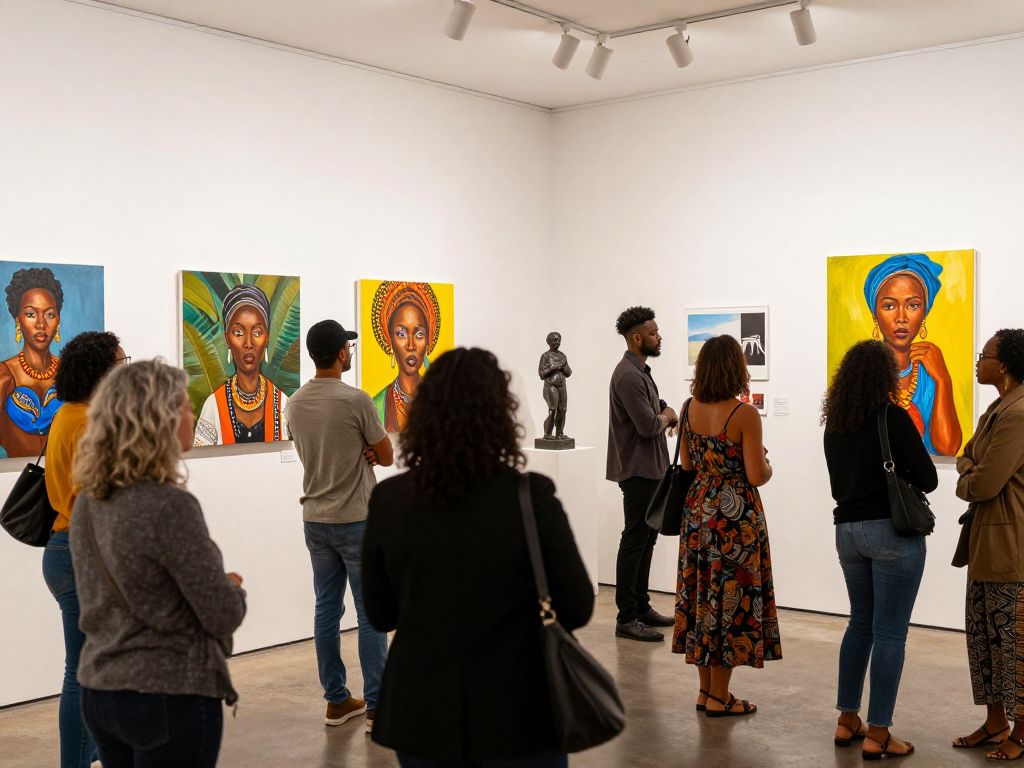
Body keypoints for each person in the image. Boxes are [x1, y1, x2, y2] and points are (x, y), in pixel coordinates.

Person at [363, 347, 594, 767]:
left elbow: (380, 615)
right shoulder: (531, 496)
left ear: (426, 415)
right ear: (500, 415)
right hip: (522, 707)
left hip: (424, 709)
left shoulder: (389, 501)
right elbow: (577, 606)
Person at [69, 360, 247, 767]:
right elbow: (221, 613)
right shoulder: (170, 507)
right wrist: (232, 588)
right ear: (158, 420)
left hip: (101, 690)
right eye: (184, 406)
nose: (190, 414)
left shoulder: (88, 504)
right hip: (167, 692)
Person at [822, 339, 936, 759]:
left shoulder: (836, 424)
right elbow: (928, 478)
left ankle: (846, 717)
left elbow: (840, 484)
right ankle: (879, 732)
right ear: (885, 375)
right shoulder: (893, 417)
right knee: (890, 632)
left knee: (860, 624)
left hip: (847, 532)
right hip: (891, 532)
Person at [285, 319, 394, 731]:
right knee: (370, 613)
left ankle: (336, 701)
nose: (351, 351)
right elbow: (385, 456)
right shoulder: (357, 400)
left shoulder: (294, 403)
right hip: (356, 520)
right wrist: (366, 449)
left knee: (326, 610)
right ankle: (378, 706)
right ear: (340, 353)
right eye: (348, 345)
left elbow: (312, 450)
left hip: (315, 519)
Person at [673, 335, 781, 715]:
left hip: (699, 511)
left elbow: (687, 465)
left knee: (703, 598)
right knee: (729, 604)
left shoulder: (688, 408)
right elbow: (756, 474)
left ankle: (706, 692)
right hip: (735, 520)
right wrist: (766, 461)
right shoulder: (743, 414)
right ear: (737, 367)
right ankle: (721, 697)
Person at [41, 331, 124, 768]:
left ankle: (91, 752)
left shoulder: (67, 415)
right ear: (101, 370)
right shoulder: (92, 423)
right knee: (82, 672)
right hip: (82, 554)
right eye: (121, 360)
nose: (126, 367)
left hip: (63, 549)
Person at [953, 328, 1024, 761]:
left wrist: (967, 474)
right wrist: (968, 467)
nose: (979, 361)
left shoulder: (1017, 415)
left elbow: (984, 482)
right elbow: (966, 454)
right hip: (985, 544)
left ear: (1006, 364)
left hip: (1010, 547)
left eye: (985, 355)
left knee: (1013, 643)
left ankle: (1021, 730)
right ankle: (996, 722)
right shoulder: (997, 409)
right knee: (984, 638)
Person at [607, 305, 677, 641]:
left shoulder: (640, 371)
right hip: (638, 471)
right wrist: (669, 415)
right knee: (635, 539)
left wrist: (663, 409)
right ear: (637, 338)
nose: (658, 336)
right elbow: (649, 426)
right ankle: (627, 617)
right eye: (652, 333)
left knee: (646, 539)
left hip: (651, 469)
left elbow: (655, 405)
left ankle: (641, 605)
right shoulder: (629, 375)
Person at [863, 252, 961, 455]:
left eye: (913, 305)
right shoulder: (863, 371)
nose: (901, 318)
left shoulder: (931, 372)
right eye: (889, 306)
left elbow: (948, 448)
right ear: (875, 312)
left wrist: (943, 380)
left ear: (924, 312)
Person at [193, 283, 288, 446]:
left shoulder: (282, 403)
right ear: (227, 339)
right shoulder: (214, 405)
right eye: (238, 333)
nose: (249, 343)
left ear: (267, 338)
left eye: (257, 332)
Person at [0, 266, 64, 458]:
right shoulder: (5, 374)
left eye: (49, 314)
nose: (40, 324)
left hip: (64, 478)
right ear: (18, 320)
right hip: (15, 480)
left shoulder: (70, 372)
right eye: (31, 314)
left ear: (58, 320)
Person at [369, 281, 441, 432]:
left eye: (419, 334)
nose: (411, 345)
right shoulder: (377, 405)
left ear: (428, 340)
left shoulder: (441, 401)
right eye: (401, 334)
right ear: (390, 340)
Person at [538, 331, 572, 440]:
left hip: (562, 385)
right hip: (550, 385)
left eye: (558, 339)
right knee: (553, 408)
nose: (557, 342)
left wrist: (563, 367)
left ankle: (559, 433)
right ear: (548, 341)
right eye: (554, 339)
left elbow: (569, 373)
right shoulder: (545, 356)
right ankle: (547, 433)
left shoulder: (562, 356)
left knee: (563, 409)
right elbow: (541, 374)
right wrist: (552, 368)